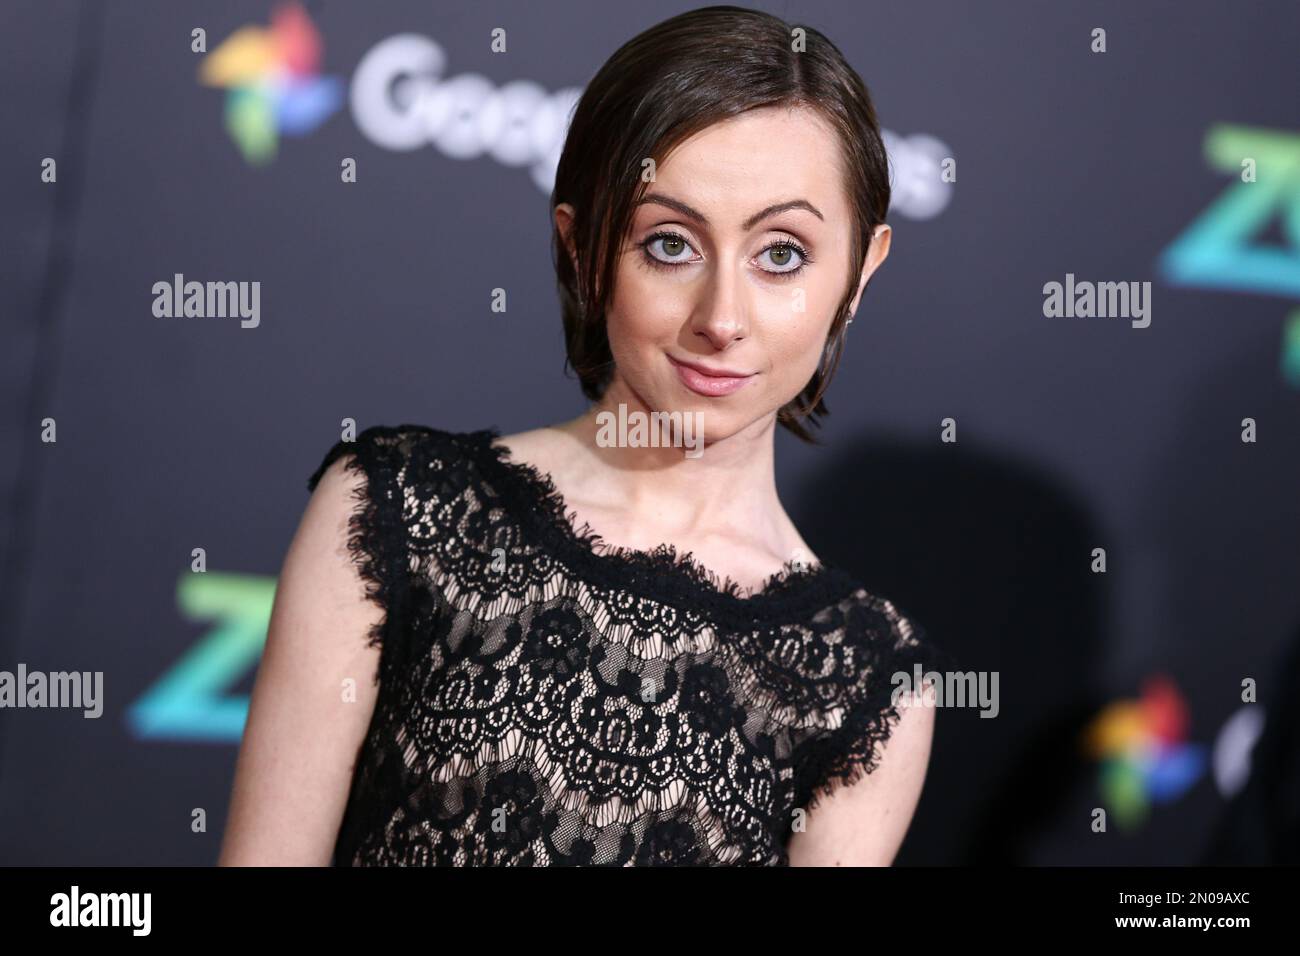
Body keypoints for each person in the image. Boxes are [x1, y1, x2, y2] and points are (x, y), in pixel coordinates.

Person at [218, 4, 945, 867]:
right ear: (582, 251)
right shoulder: (400, 510)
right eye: (669, 244)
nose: (722, 318)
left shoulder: (866, 681)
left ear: (860, 274)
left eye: (781, 253)